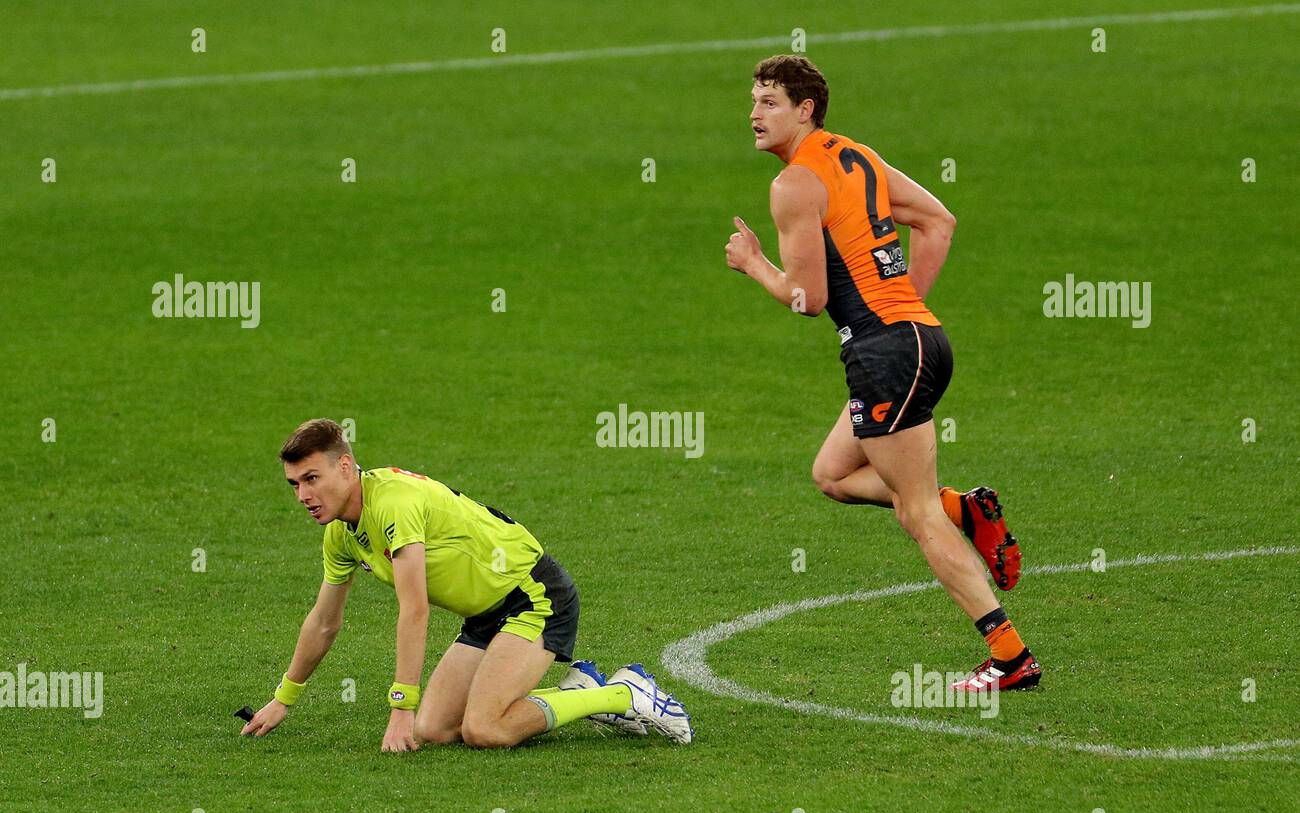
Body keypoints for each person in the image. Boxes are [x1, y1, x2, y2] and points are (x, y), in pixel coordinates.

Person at [724, 55, 1038, 692]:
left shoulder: (793, 187)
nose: (753, 115)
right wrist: (904, 314)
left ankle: (1010, 659)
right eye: (754, 101)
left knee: (916, 515)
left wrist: (753, 263)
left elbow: (807, 299)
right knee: (833, 475)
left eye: (768, 102)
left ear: (804, 109)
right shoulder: (857, 157)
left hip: (886, 353)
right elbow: (937, 222)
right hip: (919, 342)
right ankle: (967, 510)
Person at [241, 418, 693, 748]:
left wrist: (401, 704)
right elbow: (324, 622)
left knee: (485, 729)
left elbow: (414, 609)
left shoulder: (393, 504)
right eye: (294, 484)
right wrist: (284, 699)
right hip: (484, 615)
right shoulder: (340, 533)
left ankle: (622, 692)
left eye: (311, 479)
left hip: (532, 595)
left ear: (345, 467)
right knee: (434, 729)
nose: (303, 495)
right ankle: (577, 691)